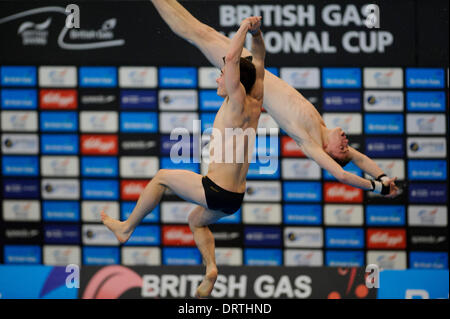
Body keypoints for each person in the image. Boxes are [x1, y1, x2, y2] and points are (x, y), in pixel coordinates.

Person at [150, 0, 400, 197]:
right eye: (347, 144)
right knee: (201, 31)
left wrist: (376, 188)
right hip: (256, 69)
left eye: (342, 147)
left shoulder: (311, 142)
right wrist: (382, 177)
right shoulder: (323, 131)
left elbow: (343, 175)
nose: (346, 140)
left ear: (327, 152)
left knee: (197, 34)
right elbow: (358, 158)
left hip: (248, 77)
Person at [101, 15, 266, 298]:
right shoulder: (256, 99)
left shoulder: (237, 101)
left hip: (217, 190)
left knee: (162, 177)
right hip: (235, 198)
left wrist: (243, 28)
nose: (219, 77)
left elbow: (231, 60)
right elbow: (259, 61)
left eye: (222, 74)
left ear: (234, 78)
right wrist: (257, 34)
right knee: (196, 220)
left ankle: (127, 228)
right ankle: (211, 268)